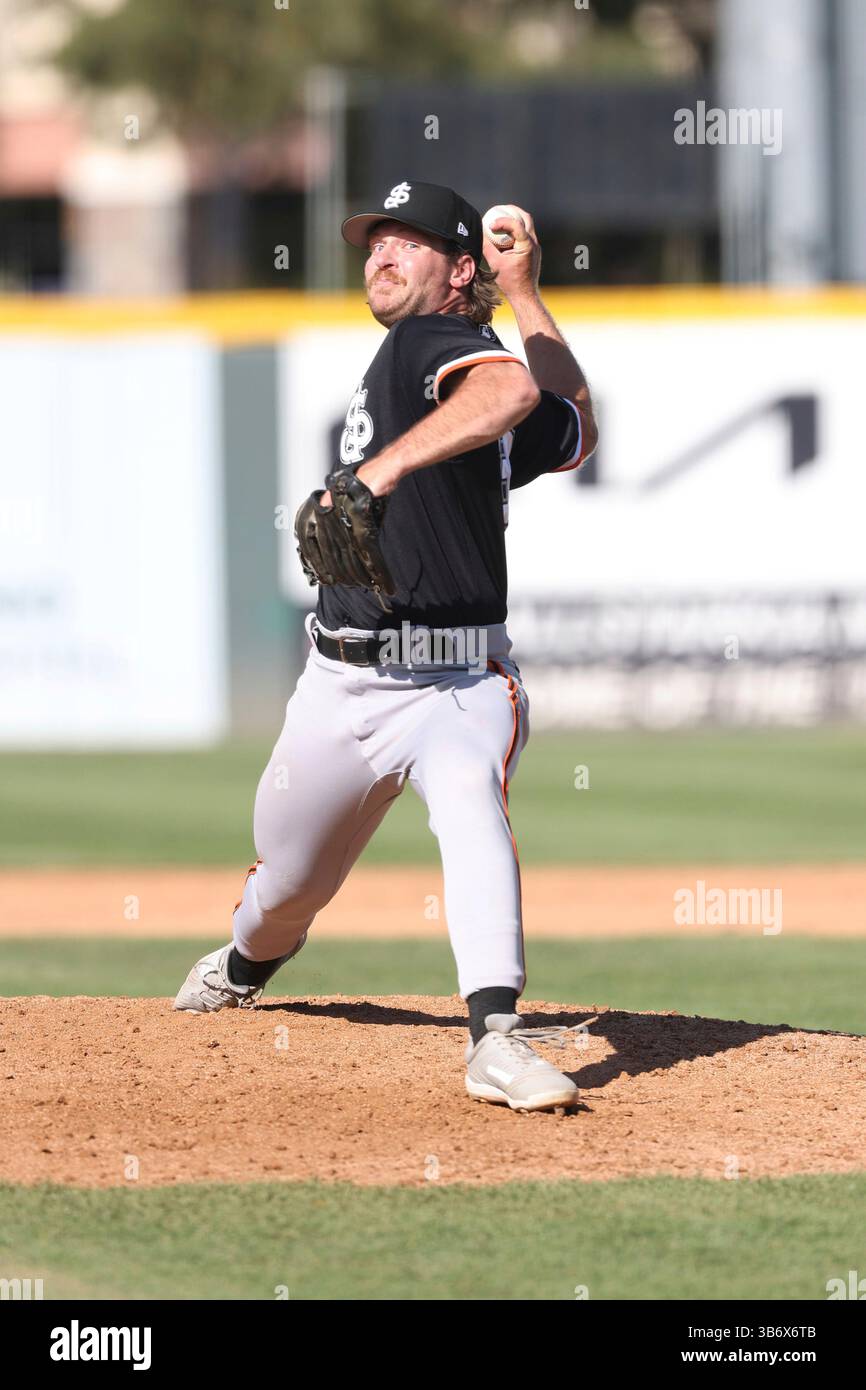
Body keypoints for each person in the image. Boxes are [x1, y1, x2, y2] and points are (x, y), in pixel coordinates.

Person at [174, 180, 598, 1113]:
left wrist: (375, 471)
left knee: (469, 811)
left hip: (456, 681)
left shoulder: (433, 342)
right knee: (286, 887)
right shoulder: (413, 366)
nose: (380, 256)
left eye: (407, 243)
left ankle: (494, 1035)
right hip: (341, 683)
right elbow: (570, 433)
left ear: (458, 272)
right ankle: (248, 964)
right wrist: (525, 293)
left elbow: (519, 387)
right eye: (373, 242)